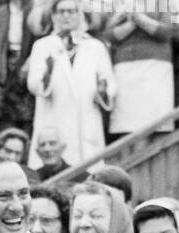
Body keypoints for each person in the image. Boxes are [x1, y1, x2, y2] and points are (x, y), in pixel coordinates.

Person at [26, 0, 115, 167]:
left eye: (71, 11)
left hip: (86, 121)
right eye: (61, 11)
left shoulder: (95, 47)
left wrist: (103, 91)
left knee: (89, 173)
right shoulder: (42, 46)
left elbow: (110, 82)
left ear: (80, 14)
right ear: (53, 15)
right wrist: (48, 72)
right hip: (53, 117)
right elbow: (33, 84)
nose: (66, 16)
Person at [103, 6, 176, 141]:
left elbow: (165, 32)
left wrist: (139, 18)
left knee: (157, 125)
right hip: (124, 70)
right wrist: (132, 23)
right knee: (128, 124)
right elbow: (109, 35)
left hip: (156, 69)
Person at [0, 0, 38, 133]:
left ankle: (23, 144)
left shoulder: (34, 11)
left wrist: (30, 61)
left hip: (26, 64)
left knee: (26, 114)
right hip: (3, 65)